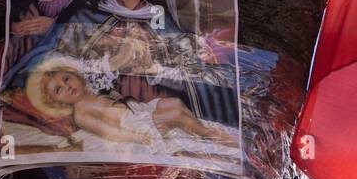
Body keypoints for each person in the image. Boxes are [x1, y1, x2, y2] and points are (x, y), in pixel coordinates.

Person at [5, 0, 239, 130]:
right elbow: (49, 56)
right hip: (98, 99)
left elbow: (181, 59)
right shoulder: (87, 10)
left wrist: (155, 61)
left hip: (157, 95)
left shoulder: (157, 15)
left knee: (216, 81)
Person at [26, 55, 236, 147]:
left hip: (140, 111)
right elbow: (108, 131)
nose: (68, 86)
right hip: (136, 125)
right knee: (173, 114)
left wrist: (116, 99)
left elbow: (113, 101)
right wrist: (136, 137)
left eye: (67, 78)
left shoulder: (92, 93)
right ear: (56, 102)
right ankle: (207, 135)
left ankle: (198, 130)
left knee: (173, 103)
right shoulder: (81, 114)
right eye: (59, 90)